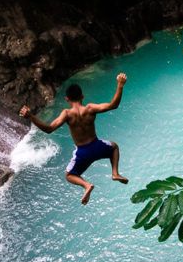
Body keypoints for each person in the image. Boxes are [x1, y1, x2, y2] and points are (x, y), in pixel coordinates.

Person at [20, 73, 129, 205]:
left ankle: (86, 185)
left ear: (67, 99)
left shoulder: (67, 114)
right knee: (114, 147)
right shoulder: (90, 108)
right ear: (82, 96)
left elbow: (49, 129)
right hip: (97, 146)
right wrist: (120, 85)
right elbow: (113, 105)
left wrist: (31, 116)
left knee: (69, 175)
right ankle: (115, 173)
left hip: (82, 153)